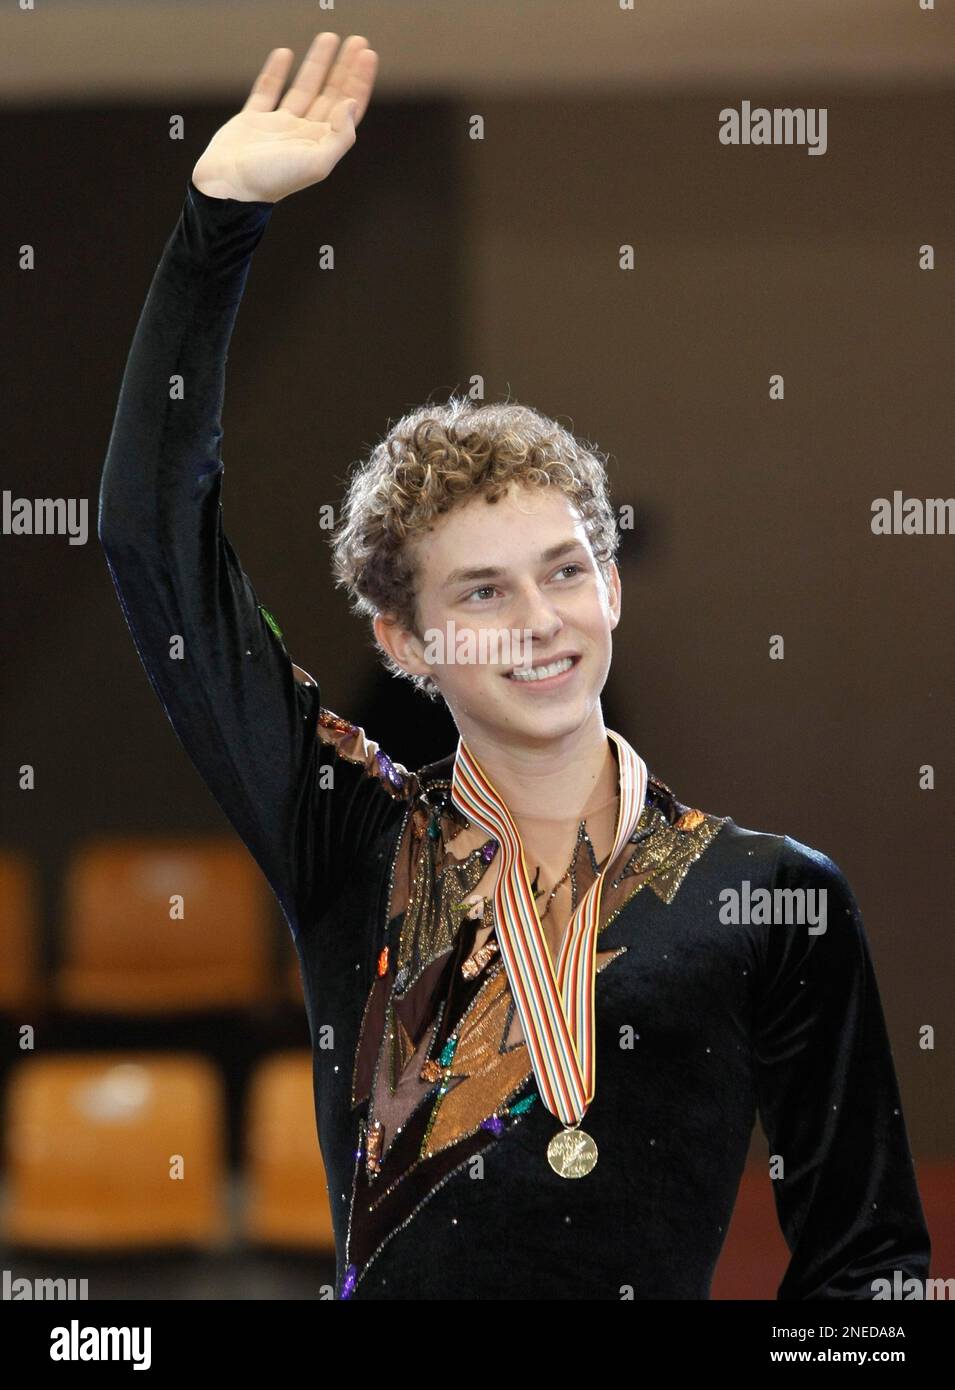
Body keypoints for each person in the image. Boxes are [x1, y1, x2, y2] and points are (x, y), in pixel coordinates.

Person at [98, 32, 931, 1300]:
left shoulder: (773, 897)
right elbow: (150, 538)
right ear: (404, 640)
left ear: (610, 588)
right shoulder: (350, 840)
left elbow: (868, 1268)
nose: (539, 620)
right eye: (481, 590)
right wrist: (218, 223)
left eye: (564, 571)